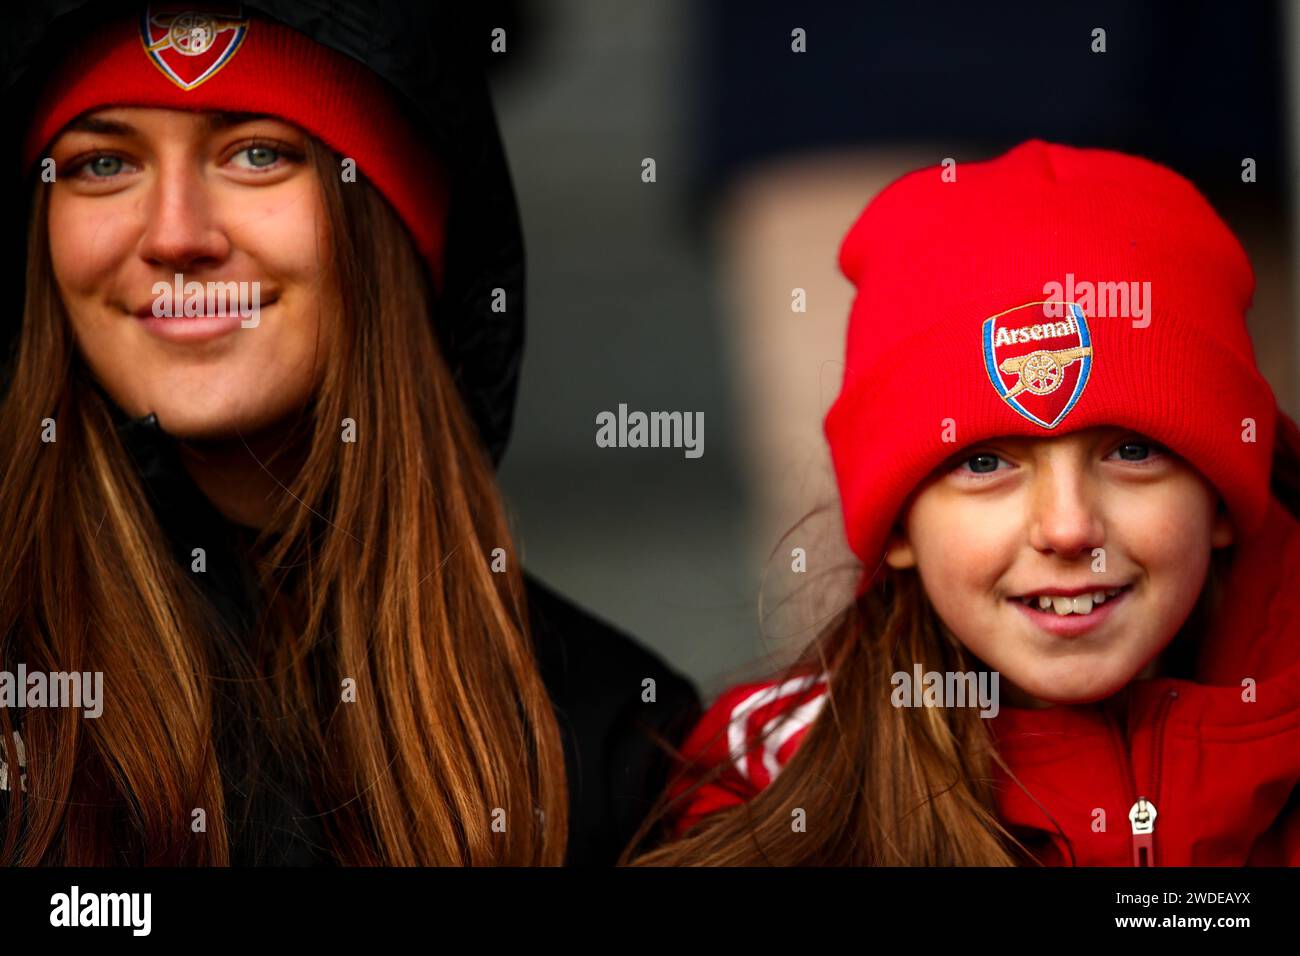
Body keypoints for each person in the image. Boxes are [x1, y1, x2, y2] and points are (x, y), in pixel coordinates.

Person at [0, 1, 698, 866]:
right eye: (102, 164)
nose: (175, 235)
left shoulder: (614, 733)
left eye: (259, 154)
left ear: (393, 228)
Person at [629, 140, 1300, 866]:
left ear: (1225, 498)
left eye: (1131, 452)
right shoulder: (774, 784)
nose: (1069, 527)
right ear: (897, 526)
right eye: (984, 463)